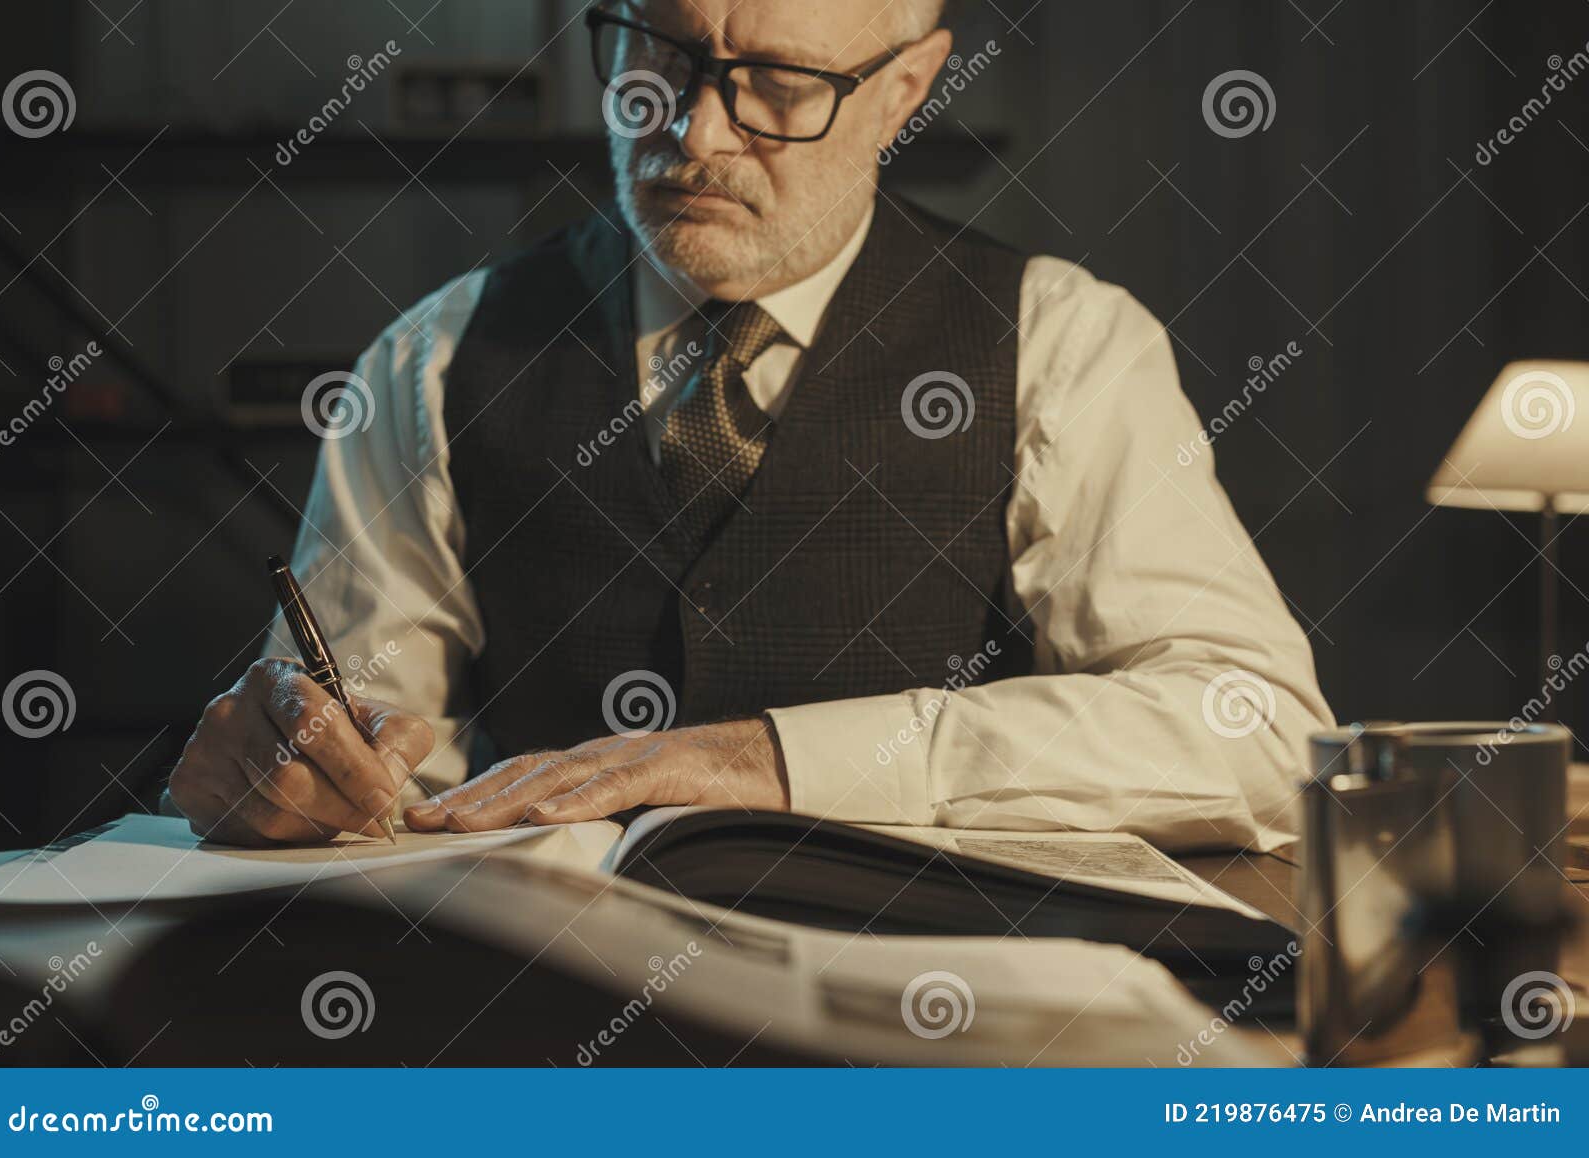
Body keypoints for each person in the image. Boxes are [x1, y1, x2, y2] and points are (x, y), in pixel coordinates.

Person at [167, 0, 1332, 852]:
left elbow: (1257, 730)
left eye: (779, 83)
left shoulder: (1063, 342)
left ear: (906, 89)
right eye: (660, 54)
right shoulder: (432, 357)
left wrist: (771, 756)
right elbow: (363, 740)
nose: (698, 134)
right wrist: (288, 777)